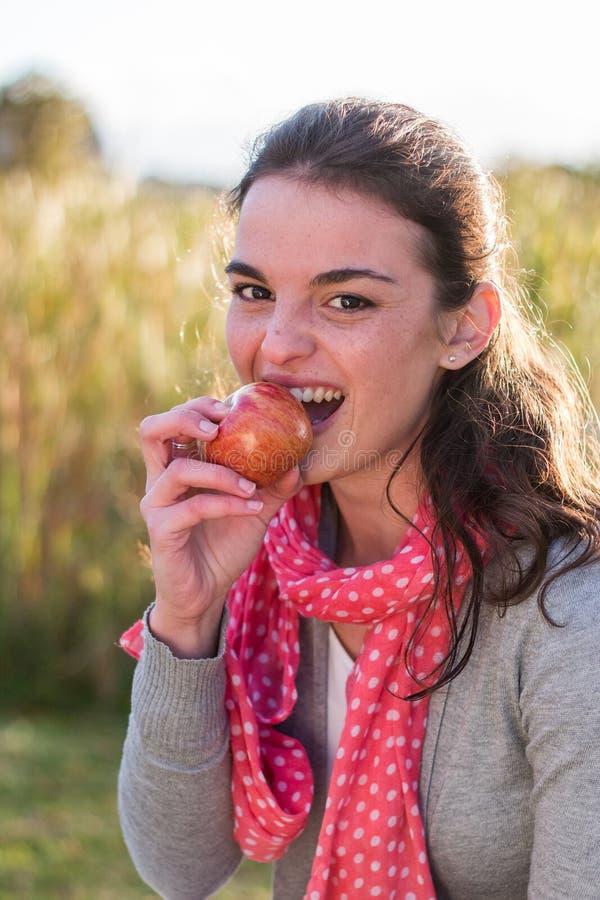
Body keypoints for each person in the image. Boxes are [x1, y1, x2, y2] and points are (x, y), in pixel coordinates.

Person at [117, 98, 600, 899]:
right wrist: (188, 617)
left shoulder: (568, 616)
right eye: (253, 290)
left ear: (464, 329)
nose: (276, 345)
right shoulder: (269, 551)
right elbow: (180, 868)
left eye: (347, 301)